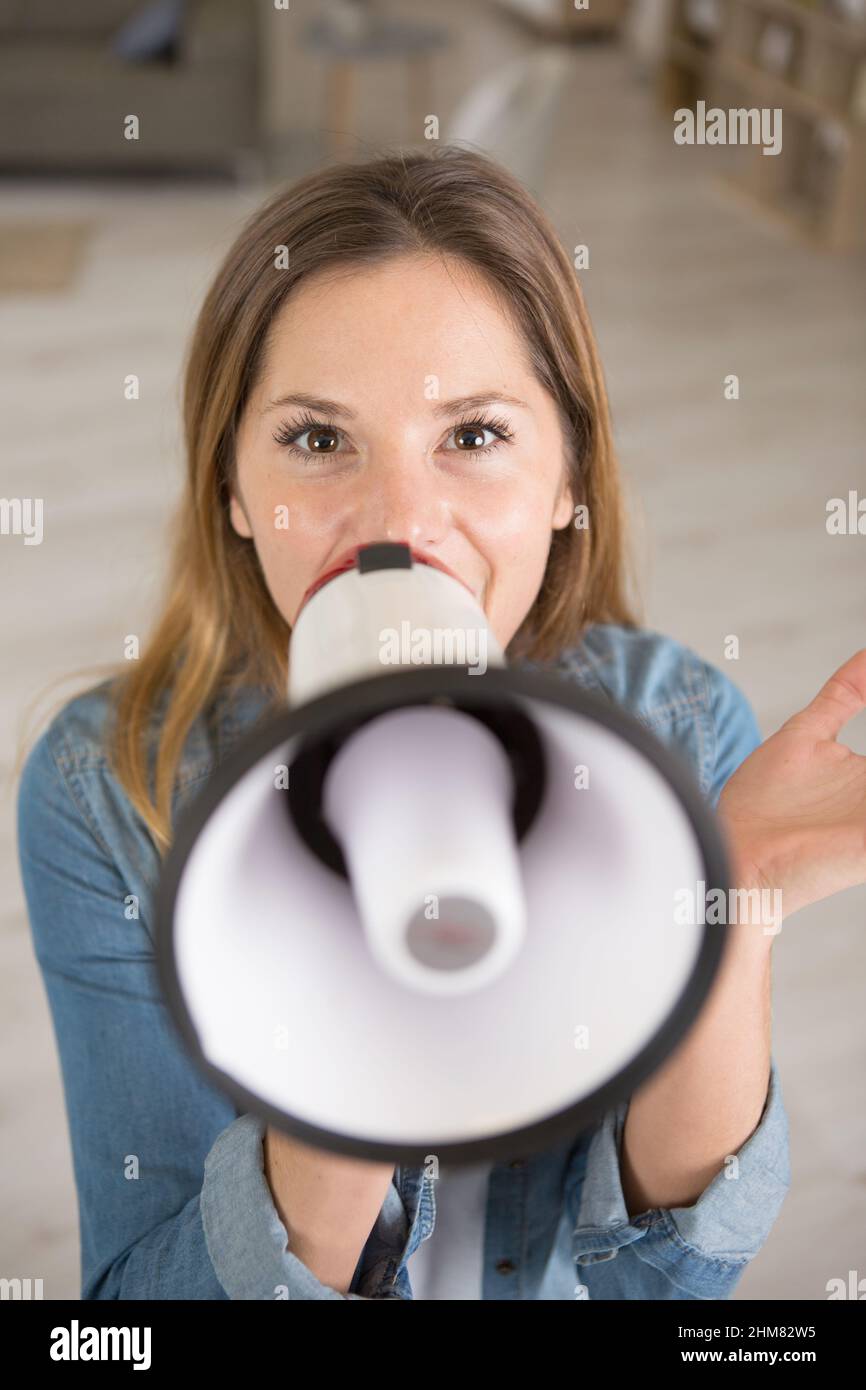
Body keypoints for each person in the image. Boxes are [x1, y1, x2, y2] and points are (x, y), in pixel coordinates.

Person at [16, 146, 866, 1301]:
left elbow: (665, 1285)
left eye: (472, 436)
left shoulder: (672, 724)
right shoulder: (106, 785)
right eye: (318, 439)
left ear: (569, 476)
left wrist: (735, 897)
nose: (397, 523)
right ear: (227, 482)